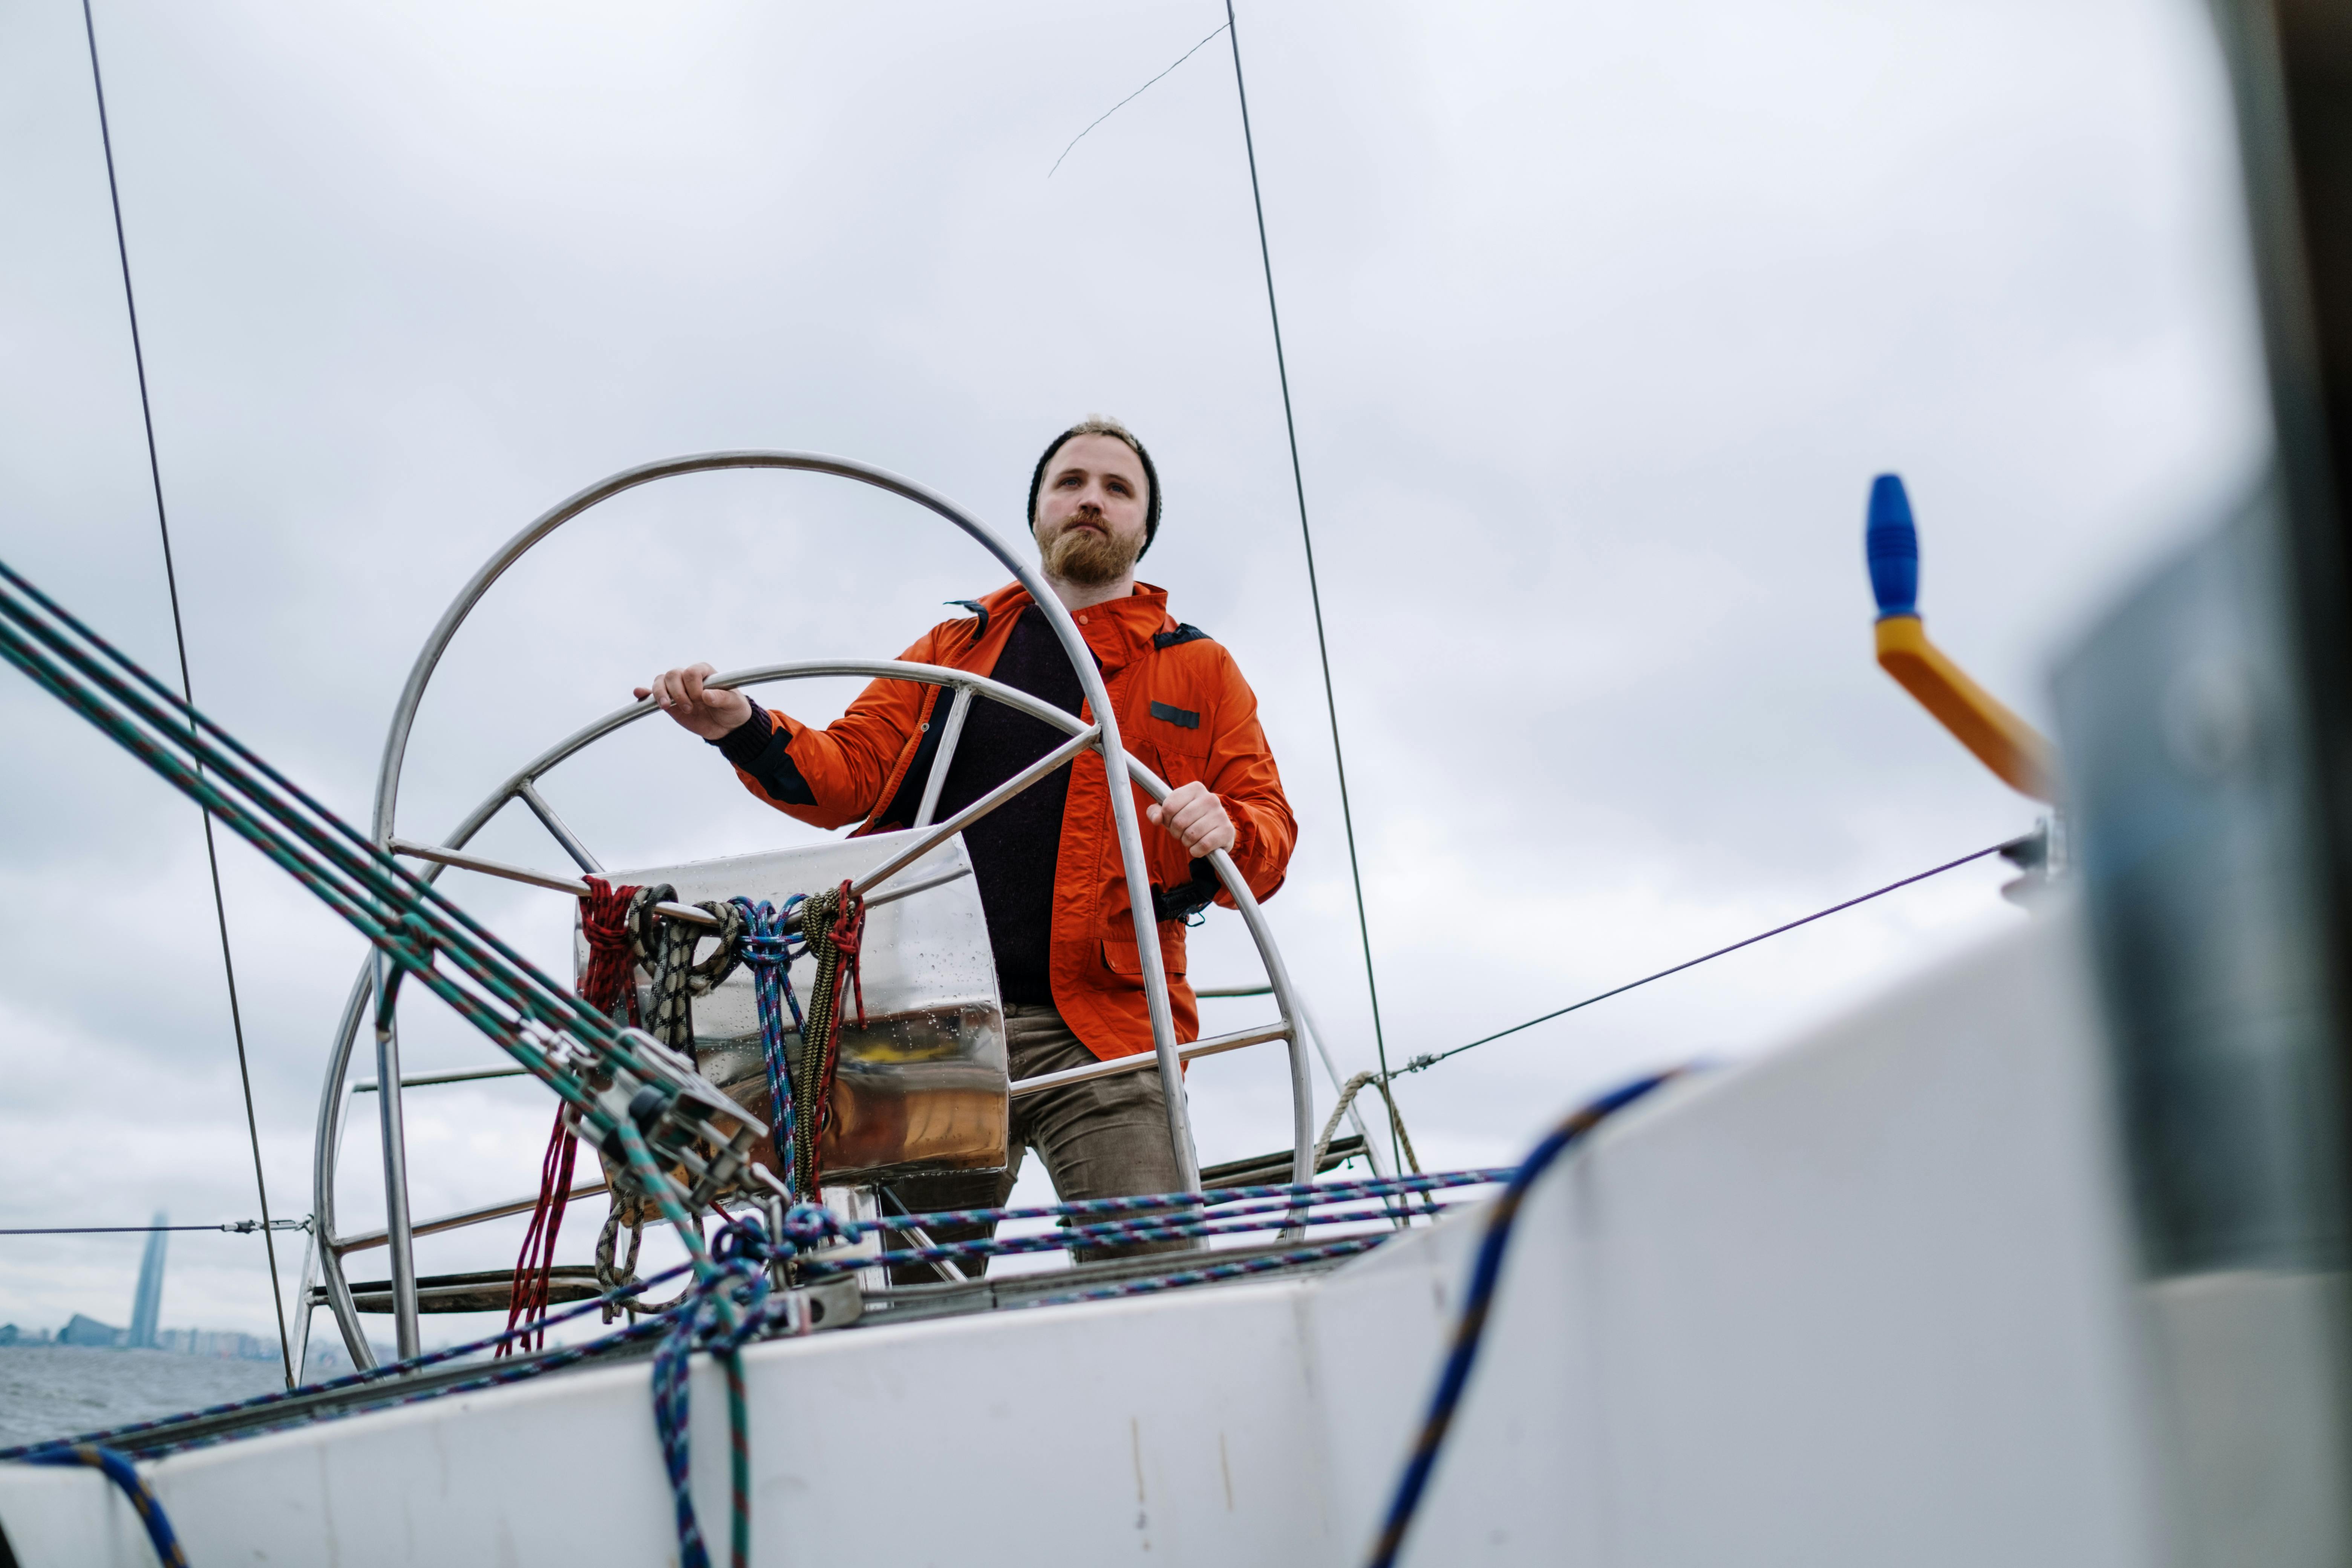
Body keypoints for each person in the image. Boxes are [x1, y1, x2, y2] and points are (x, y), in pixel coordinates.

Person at [636, 417, 1297, 1273]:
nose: (1092, 498)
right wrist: (744, 727)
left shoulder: (1201, 670)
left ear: (1143, 528)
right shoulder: (954, 651)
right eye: (1072, 482)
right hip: (932, 1027)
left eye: (1117, 488)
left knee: (1155, 1275)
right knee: (915, 1292)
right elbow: (849, 775)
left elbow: (1269, 831)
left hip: (1106, 1028)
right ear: (1039, 514)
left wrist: (1227, 828)